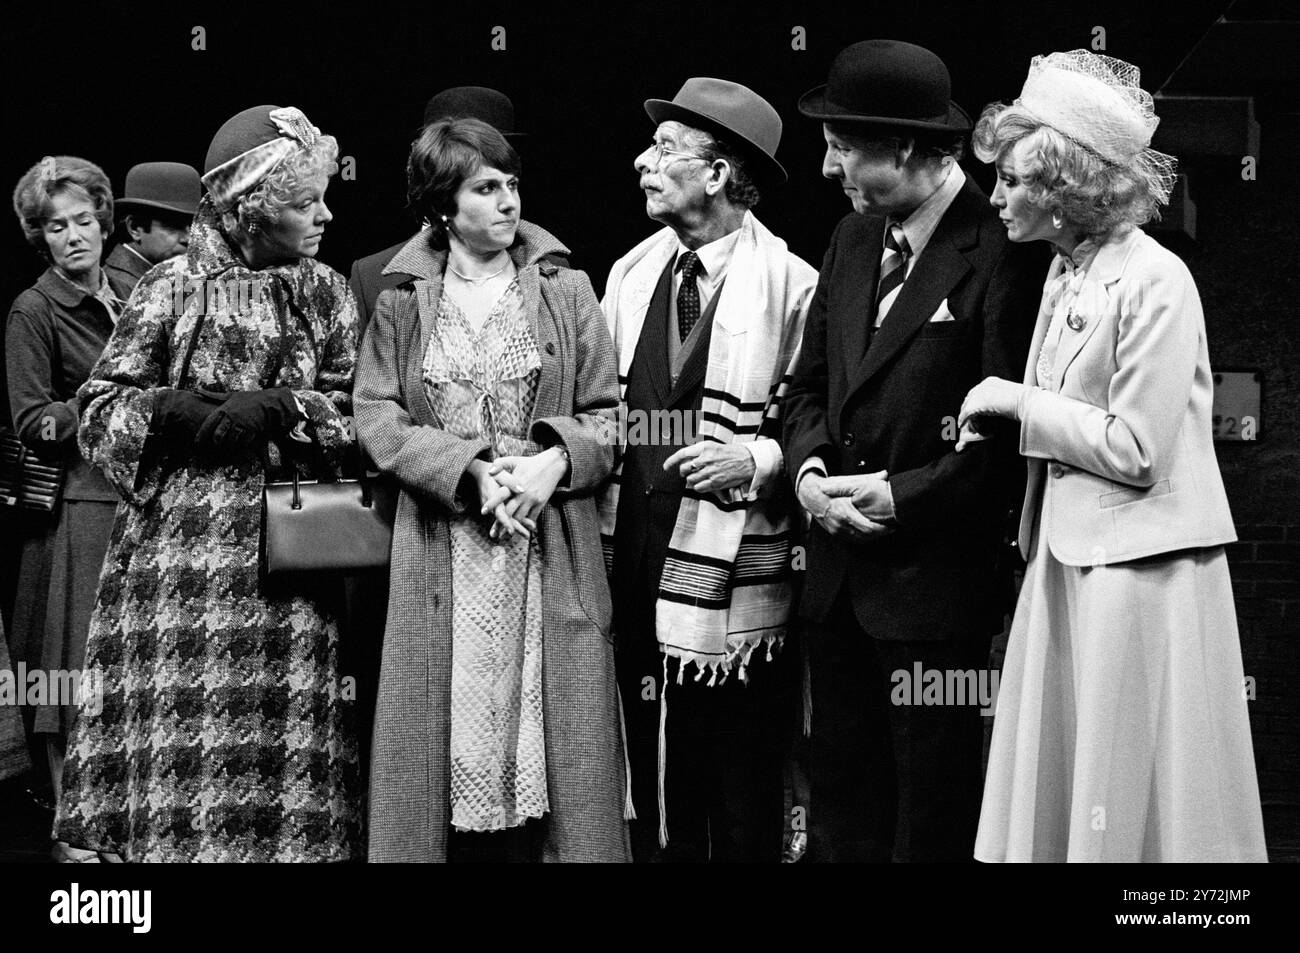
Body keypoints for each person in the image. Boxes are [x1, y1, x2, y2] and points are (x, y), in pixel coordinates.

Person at [958, 50, 1267, 862]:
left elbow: (1136, 448)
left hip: (1140, 565)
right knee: (1071, 772)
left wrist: (1015, 402)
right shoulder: (1066, 272)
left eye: (1016, 180)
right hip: (1069, 556)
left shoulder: (1157, 281)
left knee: (1130, 777)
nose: (996, 197)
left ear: (1069, 187)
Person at [54, 105, 363, 862]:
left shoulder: (323, 292)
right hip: (174, 568)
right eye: (303, 202)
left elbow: (363, 415)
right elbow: (96, 410)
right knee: (179, 742)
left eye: (323, 196)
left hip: (287, 561)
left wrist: (291, 407)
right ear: (252, 206)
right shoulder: (167, 287)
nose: (324, 214)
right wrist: (167, 409)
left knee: (275, 734)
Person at [782, 40, 1046, 862]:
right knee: (839, 817)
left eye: (841, 148)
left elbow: (1008, 436)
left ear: (901, 149)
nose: (827, 170)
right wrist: (811, 473)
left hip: (934, 595)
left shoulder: (1006, 249)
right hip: (834, 590)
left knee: (929, 820)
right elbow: (807, 390)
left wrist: (902, 499)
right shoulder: (849, 242)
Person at [355, 117, 629, 862]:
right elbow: (376, 416)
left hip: (548, 550)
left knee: (559, 761)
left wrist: (551, 462)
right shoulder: (404, 300)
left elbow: (610, 418)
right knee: (437, 766)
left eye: (511, 183)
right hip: (446, 549)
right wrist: (468, 470)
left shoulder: (564, 288)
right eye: (486, 187)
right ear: (443, 207)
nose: (509, 201)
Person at [600, 78, 817, 862]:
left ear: (719, 173)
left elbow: (817, 421)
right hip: (635, 550)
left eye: (665, 152)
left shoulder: (793, 285)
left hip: (732, 576)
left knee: (739, 770)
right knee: (652, 765)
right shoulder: (629, 273)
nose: (642, 163)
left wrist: (755, 456)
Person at [6, 156, 122, 858]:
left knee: (119, 669)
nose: (74, 236)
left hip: (132, 501)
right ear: (39, 236)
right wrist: (99, 400)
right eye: (57, 226)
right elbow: (29, 420)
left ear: (105, 223)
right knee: (68, 670)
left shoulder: (132, 291)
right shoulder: (35, 308)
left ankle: (114, 816)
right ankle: (71, 830)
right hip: (76, 505)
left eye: (84, 220)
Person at [103, 162, 201, 302]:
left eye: (194, 225)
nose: (188, 237)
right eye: (173, 226)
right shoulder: (118, 288)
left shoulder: (174, 275)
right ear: (135, 228)